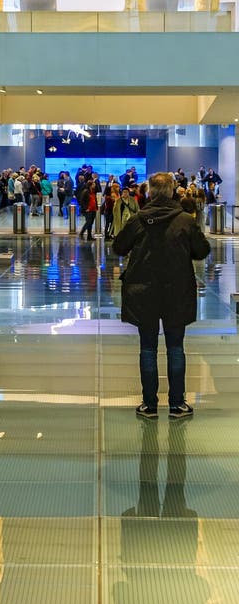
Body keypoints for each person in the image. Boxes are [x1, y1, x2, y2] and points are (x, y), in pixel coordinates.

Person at [112, 172, 210, 419]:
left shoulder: (138, 219)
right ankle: (177, 404)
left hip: (144, 292)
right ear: (172, 191)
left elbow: (119, 247)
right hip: (177, 290)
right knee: (175, 347)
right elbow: (202, 250)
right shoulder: (184, 220)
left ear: (149, 193)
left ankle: (149, 405)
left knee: (148, 348)